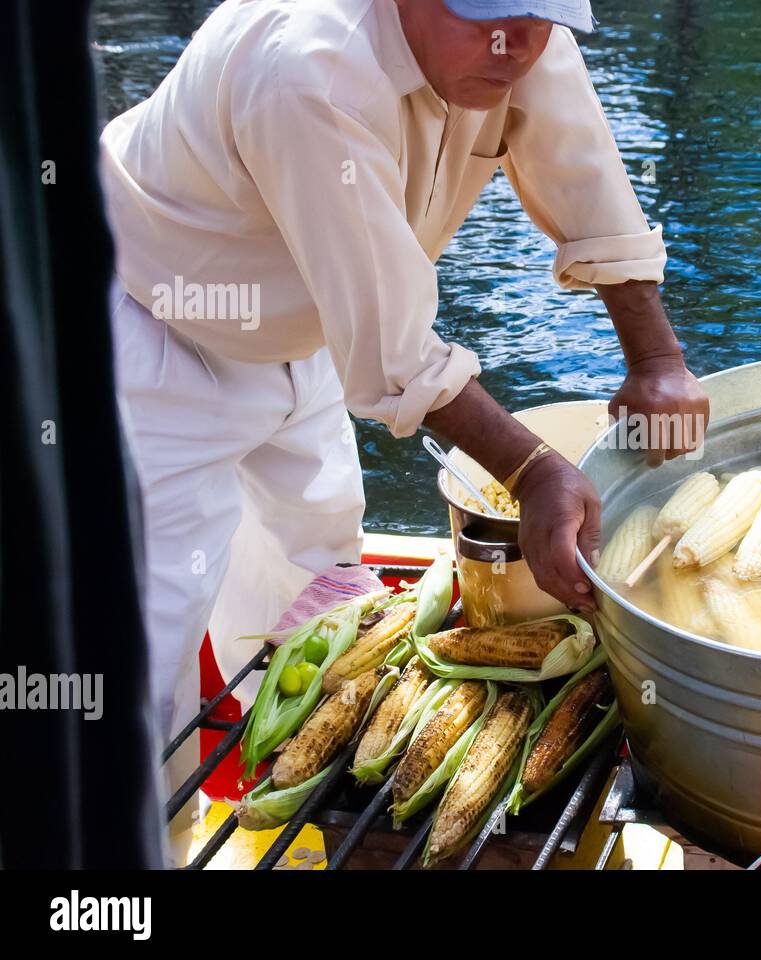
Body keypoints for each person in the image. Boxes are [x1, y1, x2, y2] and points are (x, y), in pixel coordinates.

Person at [99, 0, 707, 859]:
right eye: (490, 18)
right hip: (151, 321)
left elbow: (585, 177)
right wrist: (534, 473)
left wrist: (657, 359)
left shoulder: (522, 37)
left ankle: (295, 801)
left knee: (319, 582)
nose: (518, 45)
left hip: (299, 320)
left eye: (541, 19)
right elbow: (394, 352)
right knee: (143, 642)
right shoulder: (308, 64)